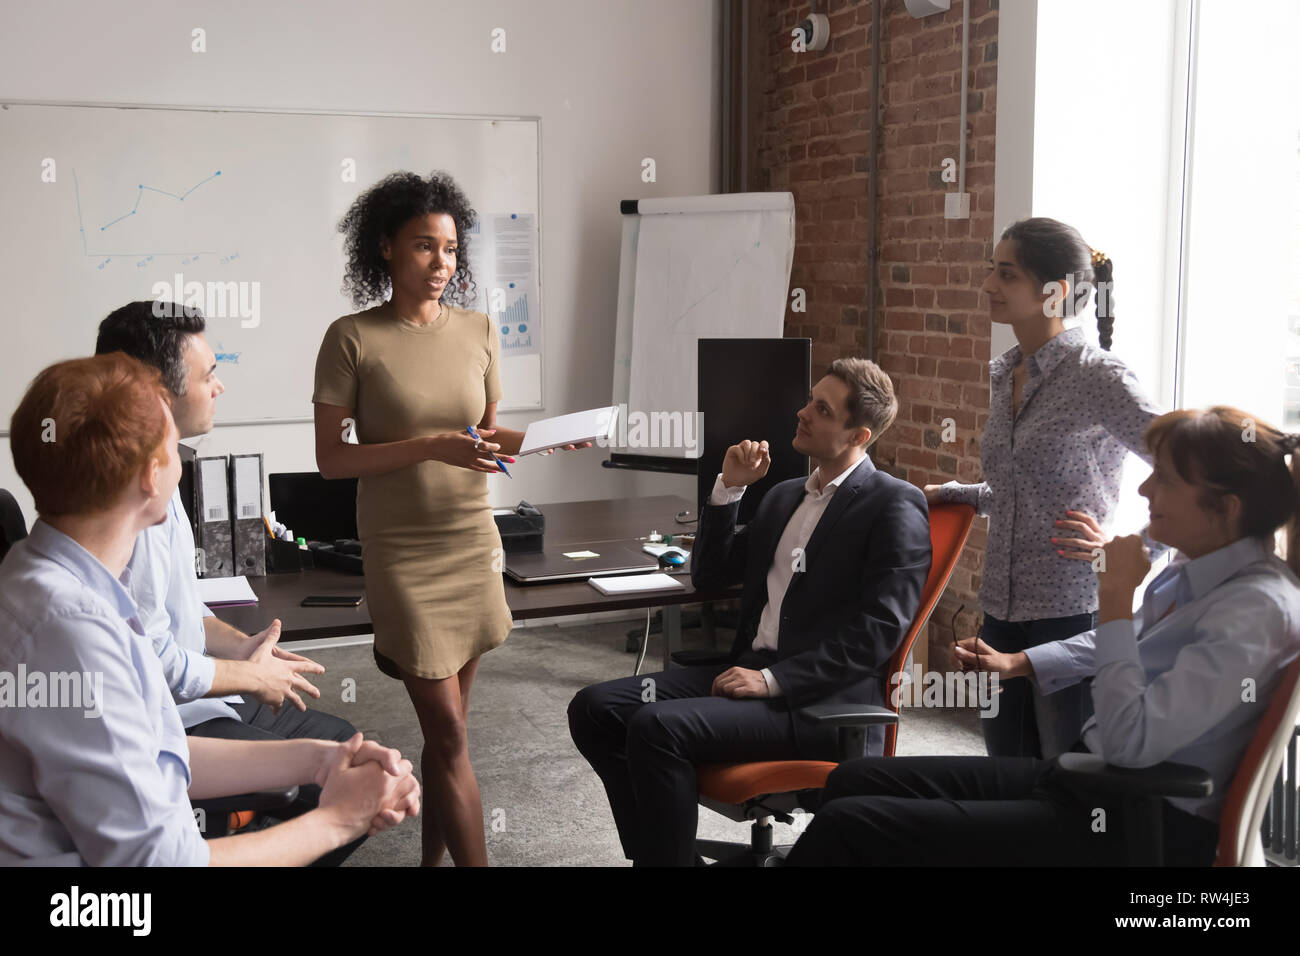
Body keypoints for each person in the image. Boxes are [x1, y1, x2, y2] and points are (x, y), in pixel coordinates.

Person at [786, 406, 1300, 867]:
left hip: (1134, 821)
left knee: (850, 824)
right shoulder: (1200, 570)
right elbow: (1128, 648)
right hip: (1085, 780)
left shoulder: (1254, 611)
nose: (1145, 491)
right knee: (852, 779)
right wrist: (1021, 662)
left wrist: (1116, 599)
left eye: (1163, 480)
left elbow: (1129, 741)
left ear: (1226, 508)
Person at [0, 353, 420, 865]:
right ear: (152, 476)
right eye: (174, 443)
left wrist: (321, 762)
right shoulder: (74, 632)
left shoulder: (44, 575)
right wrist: (339, 819)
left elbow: (158, 754)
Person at [313, 170, 585, 866]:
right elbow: (333, 461)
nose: (441, 264)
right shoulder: (352, 338)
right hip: (402, 553)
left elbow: (486, 441)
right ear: (385, 249)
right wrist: (429, 446)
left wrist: (549, 437)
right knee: (452, 735)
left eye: (452, 249)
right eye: (423, 247)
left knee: (447, 734)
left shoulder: (479, 330)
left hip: (470, 543)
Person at [568, 358, 932, 866]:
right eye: (809, 399)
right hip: (748, 671)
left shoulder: (893, 503)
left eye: (821, 409)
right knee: (593, 708)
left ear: (858, 434)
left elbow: (879, 632)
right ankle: (667, 858)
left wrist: (774, 681)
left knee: (657, 727)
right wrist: (729, 488)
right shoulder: (785, 496)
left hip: (817, 705)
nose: (802, 413)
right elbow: (710, 575)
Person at [96, 301, 363, 861]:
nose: (219, 386)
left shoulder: (166, 475)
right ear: (157, 392)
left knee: (349, 749)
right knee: (335, 789)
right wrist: (244, 676)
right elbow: (148, 661)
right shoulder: (133, 508)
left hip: (200, 703)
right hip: (167, 721)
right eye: (208, 374)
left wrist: (246, 649)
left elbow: (182, 614)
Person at [924, 217, 1164, 759]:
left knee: (1068, 784)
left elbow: (1194, 468)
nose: (987, 284)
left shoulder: (1099, 376)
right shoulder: (1007, 372)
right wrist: (958, 492)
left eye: (1005, 274)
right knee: (1006, 774)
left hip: (1073, 615)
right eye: (991, 269)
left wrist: (1137, 549)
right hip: (1001, 611)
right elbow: (1016, 491)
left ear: (1053, 291)